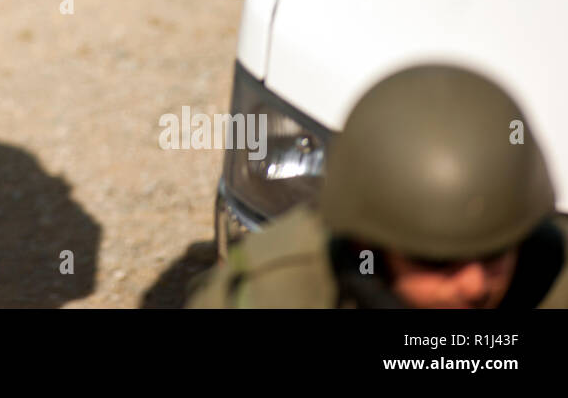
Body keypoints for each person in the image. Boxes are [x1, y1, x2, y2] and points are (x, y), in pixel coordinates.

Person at [189, 64, 568, 308]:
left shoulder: (554, 282)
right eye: (437, 262)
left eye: (494, 253)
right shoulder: (277, 295)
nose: (473, 285)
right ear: (367, 245)